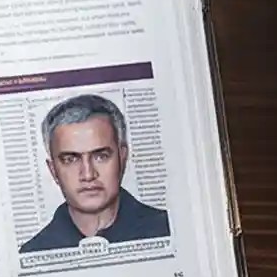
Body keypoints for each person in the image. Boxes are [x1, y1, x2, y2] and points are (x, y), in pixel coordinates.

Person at [19, 93, 170, 253]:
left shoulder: (171, 230)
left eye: (101, 156)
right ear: (53, 170)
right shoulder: (34, 252)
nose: (88, 174)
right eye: (71, 159)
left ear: (122, 157)